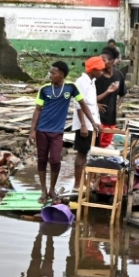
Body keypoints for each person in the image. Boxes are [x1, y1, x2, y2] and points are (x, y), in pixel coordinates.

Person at [29, 61, 98, 203]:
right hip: (42, 130)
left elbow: (83, 105)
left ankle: (52, 189)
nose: (50, 75)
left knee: (55, 160)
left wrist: (92, 122)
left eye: (53, 73)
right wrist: (32, 131)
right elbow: (37, 110)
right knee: (42, 160)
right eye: (50, 72)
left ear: (62, 75)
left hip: (57, 132)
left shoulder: (71, 88)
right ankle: (43, 191)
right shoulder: (44, 89)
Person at [72, 57, 106, 191]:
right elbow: (79, 104)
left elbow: (92, 106)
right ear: (94, 69)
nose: (102, 72)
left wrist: (97, 123)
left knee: (91, 154)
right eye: (101, 70)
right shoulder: (81, 82)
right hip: (85, 125)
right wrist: (83, 125)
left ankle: (86, 183)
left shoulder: (92, 82)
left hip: (93, 124)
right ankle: (77, 185)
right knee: (82, 153)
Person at [95, 46, 127, 148]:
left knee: (105, 145)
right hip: (98, 118)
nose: (100, 63)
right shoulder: (97, 77)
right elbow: (88, 97)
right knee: (96, 145)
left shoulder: (118, 75)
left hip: (111, 118)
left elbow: (123, 93)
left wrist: (117, 106)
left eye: (103, 60)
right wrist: (95, 104)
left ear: (112, 61)